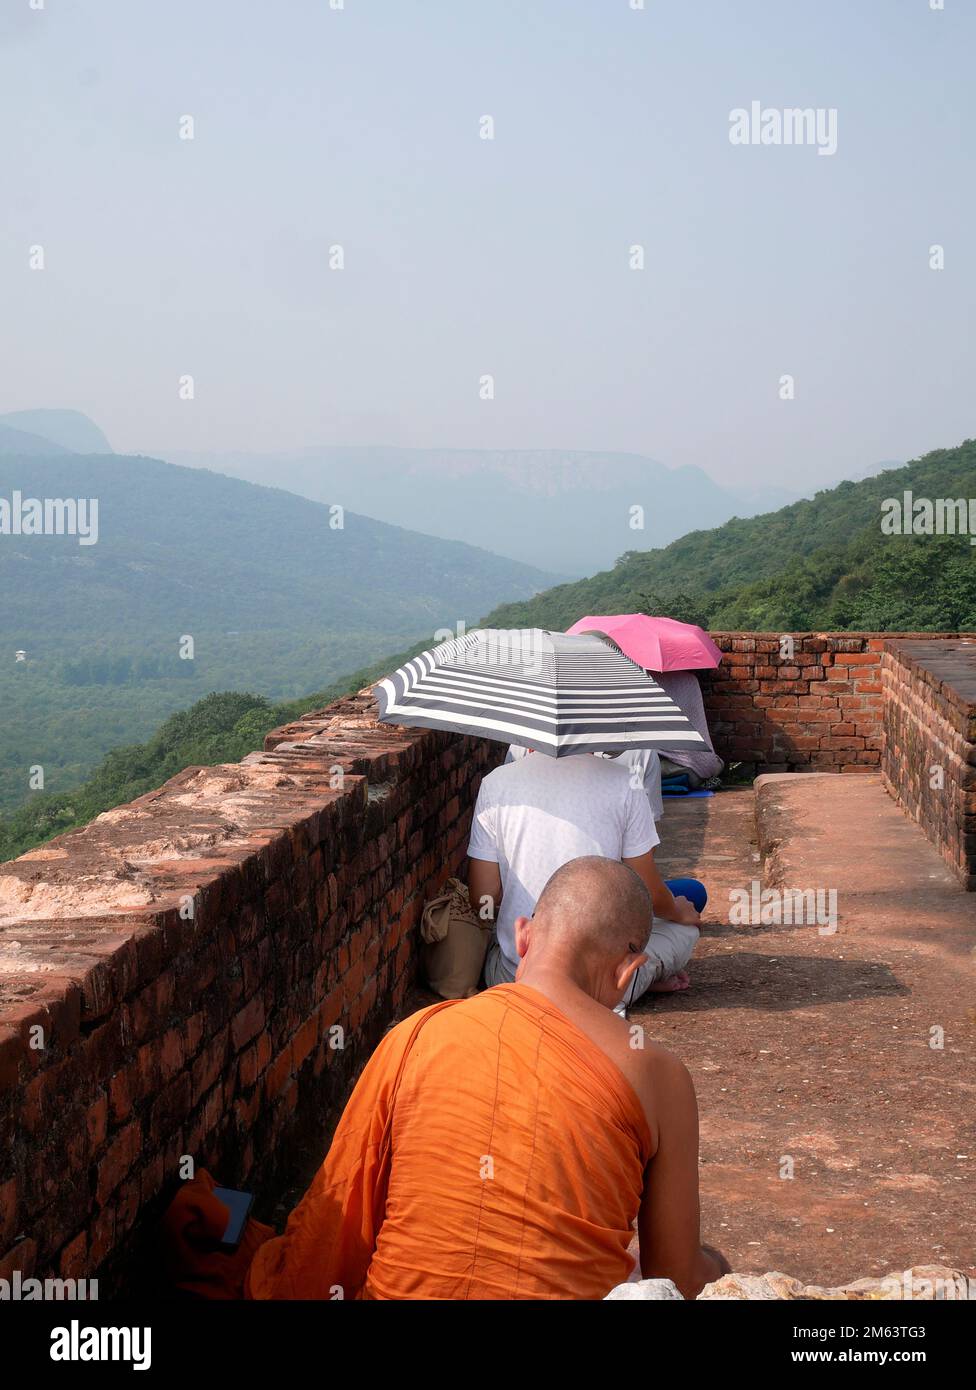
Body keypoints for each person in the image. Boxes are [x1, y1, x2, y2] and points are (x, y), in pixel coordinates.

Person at [244, 857, 729, 1300]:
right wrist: (719, 1266)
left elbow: (340, 1215)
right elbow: (677, 1278)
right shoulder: (659, 1074)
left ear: (522, 937)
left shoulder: (418, 1034)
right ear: (628, 971)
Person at [468, 748, 705, 1003]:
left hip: (515, 978)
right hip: (601, 985)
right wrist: (679, 912)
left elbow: (483, 896)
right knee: (685, 930)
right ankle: (636, 980)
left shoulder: (495, 783)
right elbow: (645, 888)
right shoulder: (625, 781)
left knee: (496, 943)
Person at [652, 671, 724, 788]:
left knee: (637, 765)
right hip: (705, 766)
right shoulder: (691, 681)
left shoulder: (648, 682)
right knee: (718, 763)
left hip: (678, 771)